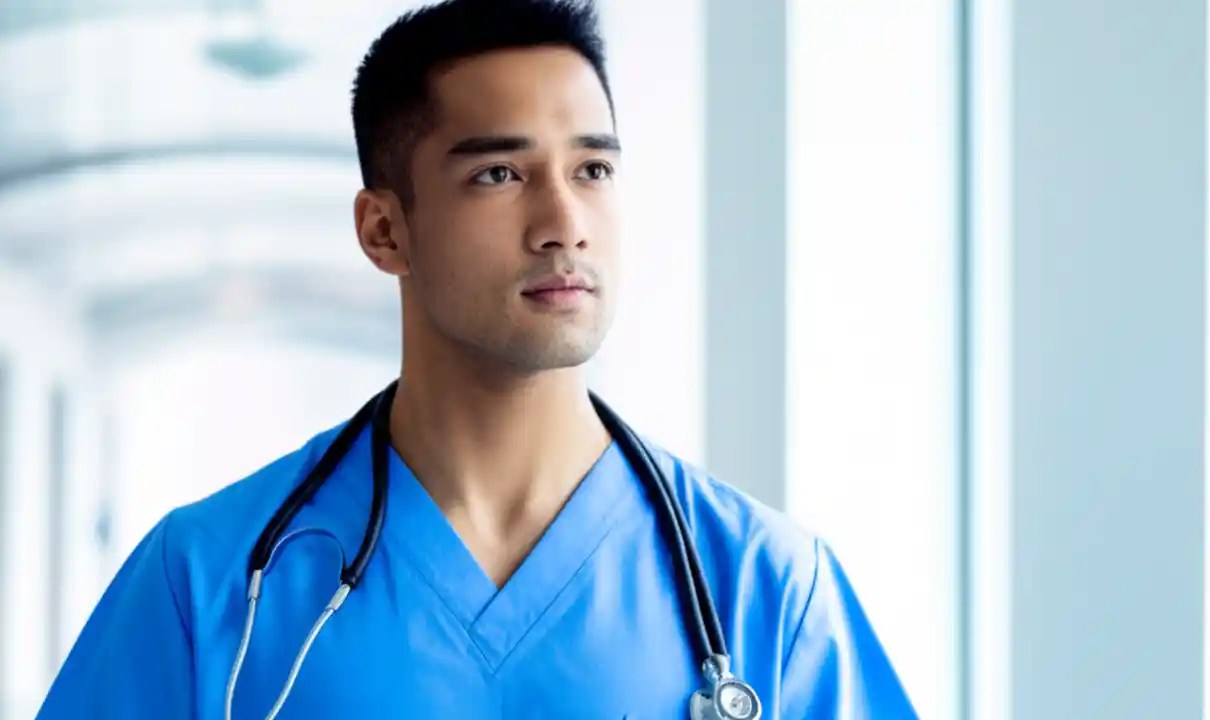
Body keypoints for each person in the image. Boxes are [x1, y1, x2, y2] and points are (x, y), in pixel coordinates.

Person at [37, 0, 915, 717]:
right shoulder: (213, 585)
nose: (563, 221)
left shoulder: (765, 591)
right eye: (500, 175)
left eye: (594, 172)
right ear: (385, 229)